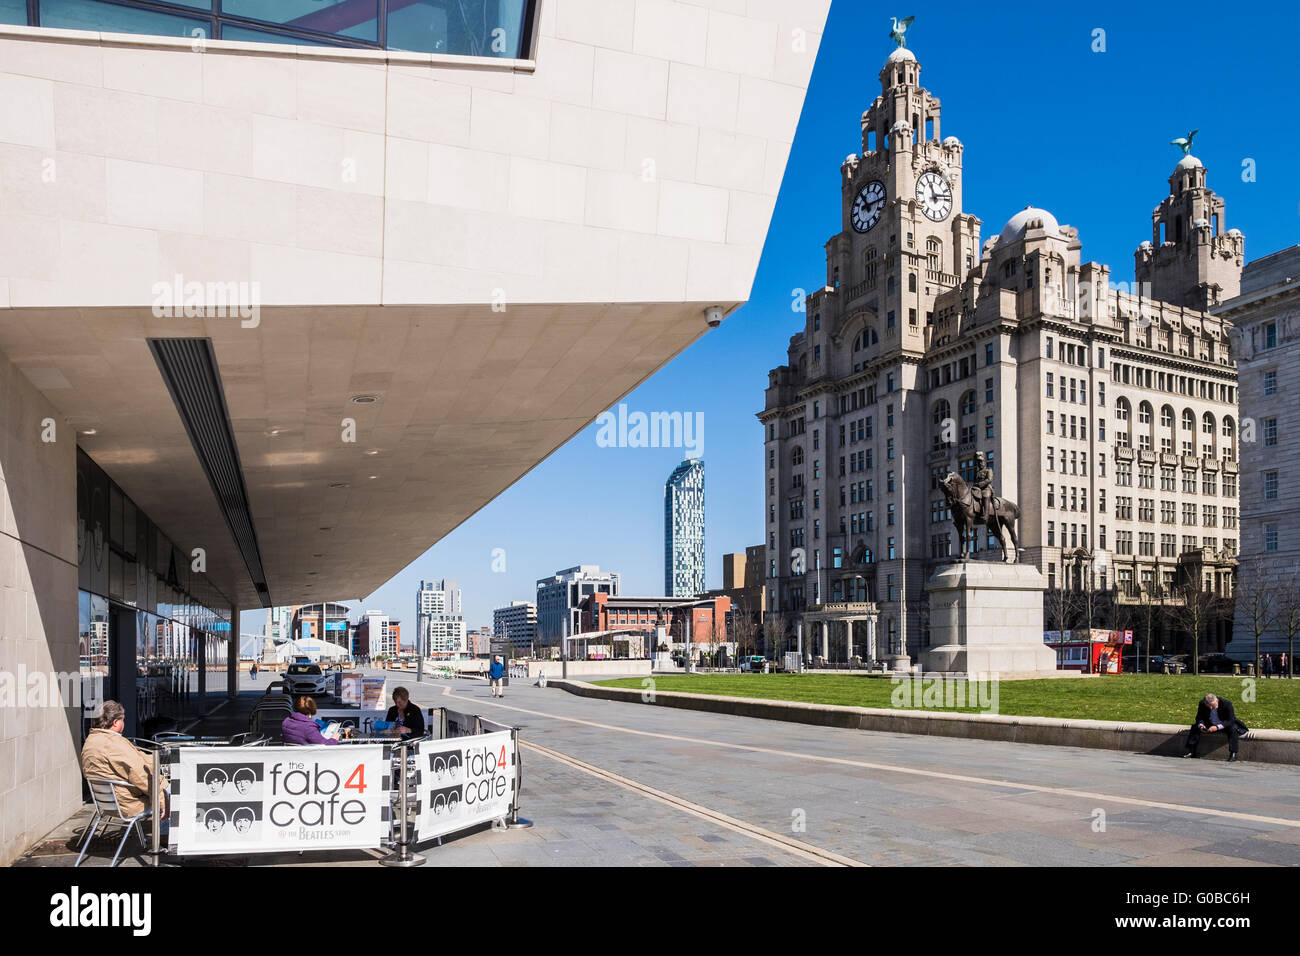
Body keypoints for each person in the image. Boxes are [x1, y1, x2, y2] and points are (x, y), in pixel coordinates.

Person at [81, 700, 169, 823]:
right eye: (123, 720)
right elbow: (141, 775)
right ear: (116, 722)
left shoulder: (91, 741)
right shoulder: (113, 744)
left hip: (107, 803)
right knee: (173, 792)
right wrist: (163, 800)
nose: (124, 723)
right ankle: (168, 836)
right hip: (128, 804)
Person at [1184, 693, 1247, 762]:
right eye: (1208, 706)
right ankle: (1191, 751)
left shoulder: (1227, 703)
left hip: (1224, 724)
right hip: (1210, 723)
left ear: (1216, 701)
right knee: (1195, 727)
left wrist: (1217, 727)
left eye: (1212, 706)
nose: (1210, 708)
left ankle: (1233, 753)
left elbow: (1230, 720)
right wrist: (1201, 725)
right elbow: (1199, 717)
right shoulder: (1202, 703)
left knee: (1232, 728)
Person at [972, 451, 994, 519]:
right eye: (979, 462)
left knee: (985, 495)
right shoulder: (977, 472)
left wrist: (980, 484)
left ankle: (986, 514)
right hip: (977, 489)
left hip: (986, 488)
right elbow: (975, 481)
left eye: (981, 462)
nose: (980, 464)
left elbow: (989, 479)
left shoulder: (988, 470)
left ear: (984, 462)